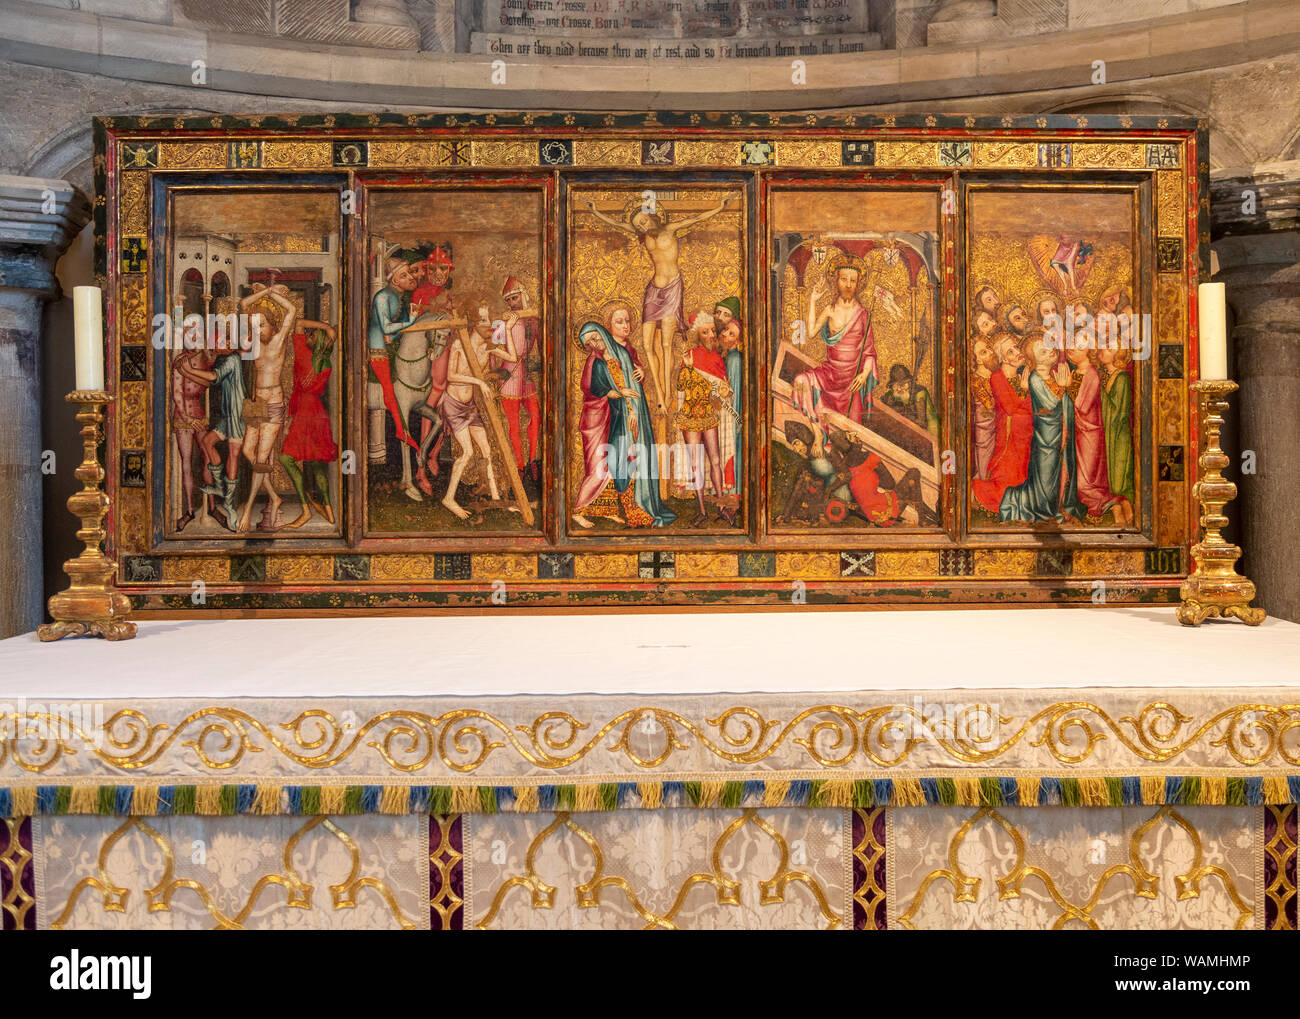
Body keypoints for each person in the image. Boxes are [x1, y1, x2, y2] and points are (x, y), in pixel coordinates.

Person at [584, 194, 734, 413]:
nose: (643, 226)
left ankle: (667, 394)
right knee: (647, 345)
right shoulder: (644, 236)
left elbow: (696, 219)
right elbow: (617, 223)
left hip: (672, 287)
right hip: (653, 290)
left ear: (651, 215)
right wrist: (596, 211)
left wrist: (719, 207)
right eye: (638, 226)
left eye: (643, 220)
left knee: (665, 345)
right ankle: (660, 394)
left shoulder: (670, 229)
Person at [571, 306, 676, 530]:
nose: (596, 343)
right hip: (604, 418)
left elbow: (628, 376)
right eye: (590, 341)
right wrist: (622, 395)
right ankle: (585, 509)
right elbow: (595, 388)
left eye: (597, 338)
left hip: (622, 413)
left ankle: (615, 509)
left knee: (620, 461)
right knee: (610, 462)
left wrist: (640, 373)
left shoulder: (620, 353)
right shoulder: (597, 361)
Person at [999, 334, 1084, 524]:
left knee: (1061, 472)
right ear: (1035, 360)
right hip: (1045, 438)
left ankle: (1057, 506)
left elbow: (1065, 405)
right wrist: (1063, 389)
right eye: (1043, 351)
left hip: (1060, 435)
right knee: (1046, 477)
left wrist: (1065, 393)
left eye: (1049, 347)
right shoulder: (1035, 379)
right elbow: (1049, 405)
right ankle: (1042, 509)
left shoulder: (1052, 376)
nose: (1050, 351)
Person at [237, 282, 297, 532]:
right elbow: (242, 305)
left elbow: (291, 311)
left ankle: (249, 511)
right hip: (255, 402)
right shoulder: (254, 346)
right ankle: (274, 496)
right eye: (254, 325)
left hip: (272, 402)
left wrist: (272, 293)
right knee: (247, 452)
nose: (257, 329)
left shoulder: (278, 342)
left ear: (272, 326)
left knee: (262, 457)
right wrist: (264, 292)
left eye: (261, 324)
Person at [793, 259, 878, 425]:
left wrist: (864, 374)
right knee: (800, 381)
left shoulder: (862, 314)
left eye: (853, 280)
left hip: (852, 380)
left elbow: (869, 352)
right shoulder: (830, 310)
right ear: (836, 281)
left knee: (851, 429)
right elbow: (810, 332)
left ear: (858, 284)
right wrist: (812, 300)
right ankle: (818, 435)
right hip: (830, 375)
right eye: (844, 279)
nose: (848, 285)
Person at [674, 310, 735, 526]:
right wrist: (689, 368)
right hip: (691, 417)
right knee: (696, 464)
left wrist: (724, 393)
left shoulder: (718, 358)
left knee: (715, 460)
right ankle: (702, 510)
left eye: (712, 332)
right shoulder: (689, 356)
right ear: (697, 335)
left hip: (709, 415)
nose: (710, 336)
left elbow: (721, 396)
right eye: (705, 332)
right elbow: (682, 386)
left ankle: (722, 506)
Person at [279, 320, 338, 529]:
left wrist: (325, 327)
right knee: (316, 462)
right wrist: (327, 331)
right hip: (317, 413)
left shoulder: (303, 351)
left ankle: (305, 510)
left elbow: (299, 323)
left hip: (305, 413)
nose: (309, 335)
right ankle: (329, 513)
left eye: (312, 335)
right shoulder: (327, 364)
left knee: (285, 459)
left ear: (317, 341)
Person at [1068, 341, 1133, 525]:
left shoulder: (1092, 374)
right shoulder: (1081, 373)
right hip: (1081, 432)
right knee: (1082, 482)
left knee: (1085, 483)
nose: (1072, 348)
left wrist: (1066, 387)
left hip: (1090, 432)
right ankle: (1117, 505)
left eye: (1079, 346)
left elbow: (1082, 405)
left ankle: (1113, 505)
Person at [487, 276, 541, 487]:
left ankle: (531, 460)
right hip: (509, 377)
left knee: (535, 418)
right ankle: (519, 465)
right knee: (514, 426)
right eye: (509, 300)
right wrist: (494, 376)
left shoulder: (534, 320)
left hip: (525, 376)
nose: (512, 304)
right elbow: (494, 355)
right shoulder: (501, 323)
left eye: (515, 298)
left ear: (524, 296)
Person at [972, 333, 1033, 513]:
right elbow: (1012, 408)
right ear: (1002, 358)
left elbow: (1032, 409)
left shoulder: (1023, 374)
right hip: (1008, 438)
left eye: (1016, 347)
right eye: (1010, 351)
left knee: (1022, 475)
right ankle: (978, 492)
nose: (1017, 352)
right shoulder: (997, 377)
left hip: (1025, 436)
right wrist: (1026, 392)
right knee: (1008, 478)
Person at [368, 256, 421, 451]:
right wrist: (411, 321)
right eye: (404, 275)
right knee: (389, 389)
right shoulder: (382, 296)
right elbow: (387, 327)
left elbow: (392, 332)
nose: (410, 278)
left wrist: (395, 334)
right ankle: (401, 430)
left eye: (409, 273)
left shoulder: (397, 297)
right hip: (376, 351)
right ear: (395, 280)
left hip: (387, 347)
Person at [170, 340, 214, 531]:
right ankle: (189, 510)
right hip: (184, 416)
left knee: (208, 459)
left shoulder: (204, 358)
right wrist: (187, 419)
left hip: (198, 411)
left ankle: (211, 505)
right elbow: (177, 393)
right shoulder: (181, 360)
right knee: (186, 462)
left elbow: (209, 379)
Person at [1099, 344, 1136, 505]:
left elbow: (1119, 411)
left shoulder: (1122, 377)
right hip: (1106, 430)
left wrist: (1099, 392)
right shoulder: (1104, 375)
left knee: (1119, 472)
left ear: (1118, 354)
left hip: (1118, 432)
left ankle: (1123, 501)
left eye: (1108, 349)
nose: (1102, 350)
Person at [879, 362, 939, 437]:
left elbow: (922, 422)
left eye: (902, 385)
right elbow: (884, 404)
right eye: (895, 385)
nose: (899, 388)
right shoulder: (894, 393)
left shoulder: (920, 393)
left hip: (930, 433)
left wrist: (903, 413)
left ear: (909, 383)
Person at [970, 337, 999, 481]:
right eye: (983, 352)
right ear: (978, 361)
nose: (990, 352)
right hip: (985, 429)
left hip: (997, 426)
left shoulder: (995, 374)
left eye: (988, 348)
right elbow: (990, 404)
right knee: (985, 466)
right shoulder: (976, 380)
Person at [720, 316, 743, 495]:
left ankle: (732, 495)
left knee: (731, 449)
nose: (724, 334)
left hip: (731, 415)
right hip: (729, 413)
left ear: (738, 340)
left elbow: (732, 393)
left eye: (731, 333)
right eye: (726, 330)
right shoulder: (729, 356)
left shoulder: (734, 359)